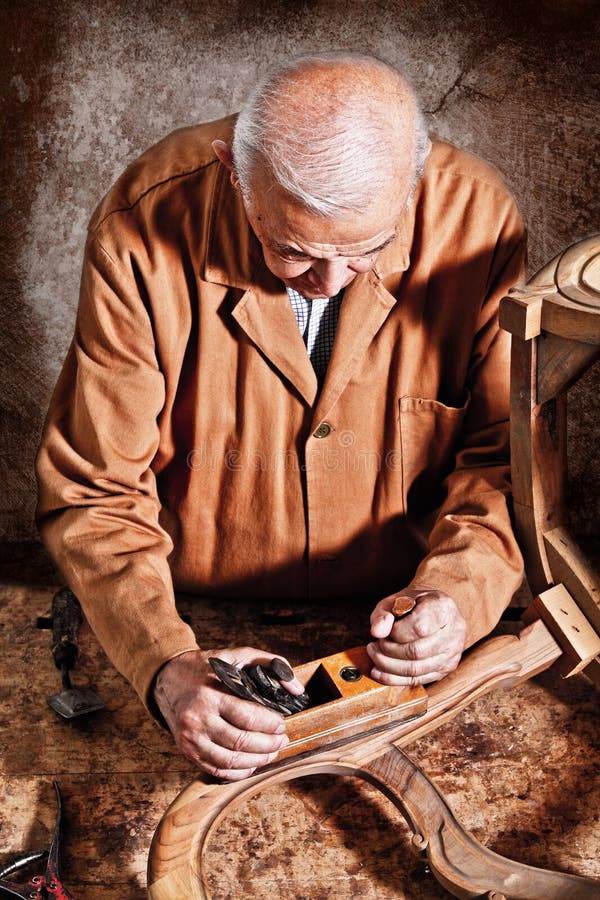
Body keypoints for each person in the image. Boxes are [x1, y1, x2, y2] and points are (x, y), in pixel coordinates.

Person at [36, 51, 526, 781]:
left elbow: (505, 457)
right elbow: (95, 490)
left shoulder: (480, 221)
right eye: (291, 251)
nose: (328, 285)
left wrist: (461, 592)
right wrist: (165, 665)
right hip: (191, 616)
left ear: (411, 187)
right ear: (235, 176)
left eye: (366, 250)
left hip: (394, 621)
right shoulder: (144, 222)